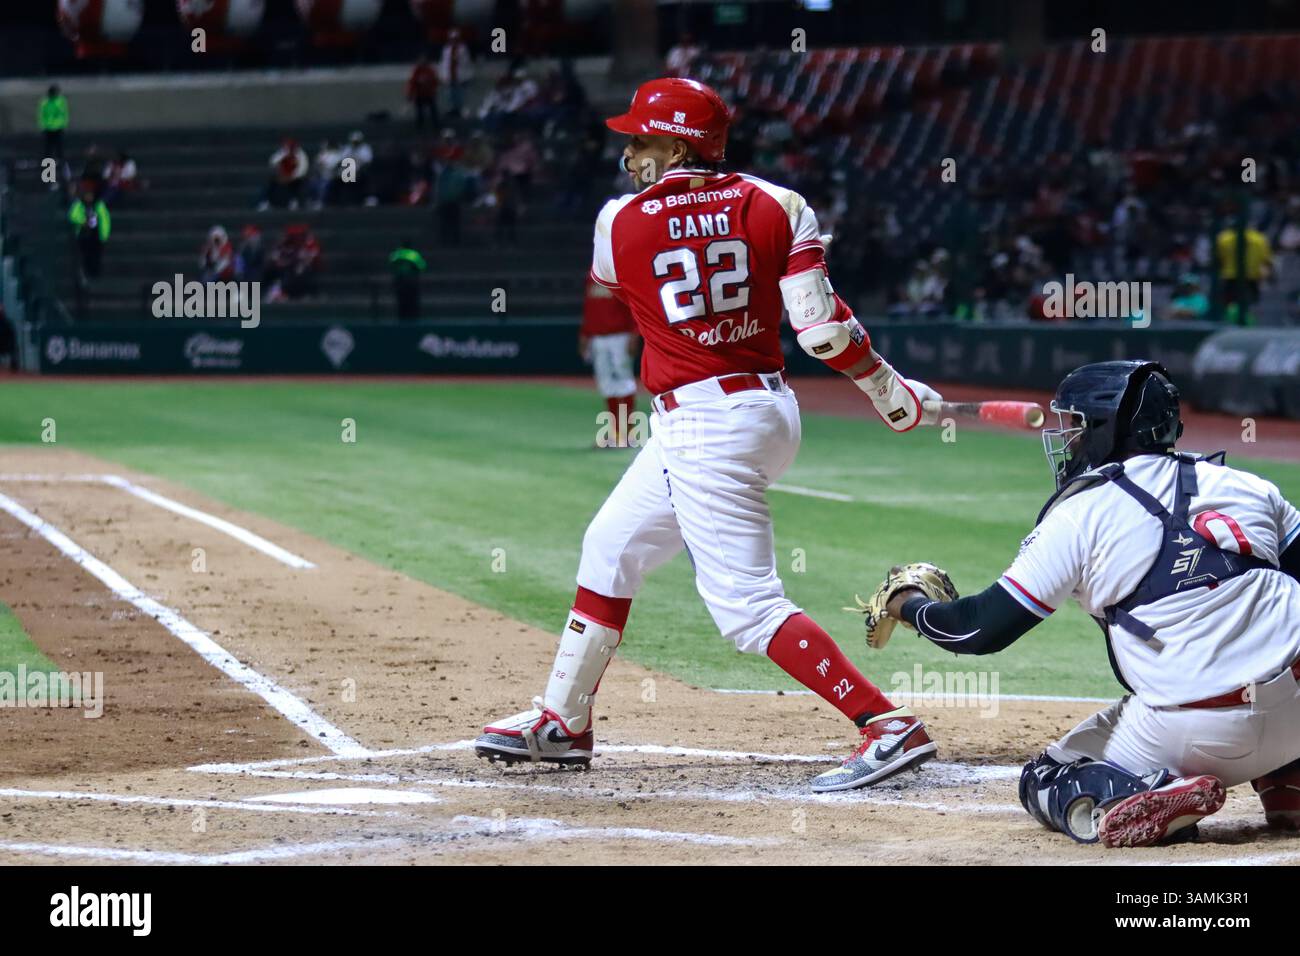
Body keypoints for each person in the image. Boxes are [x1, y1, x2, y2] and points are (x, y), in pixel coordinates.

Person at [474, 78, 946, 792]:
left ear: (680, 143)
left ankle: (886, 723)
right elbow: (820, 330)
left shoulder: (616, 221)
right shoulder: (779, 203)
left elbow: (618, 276)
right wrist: (889, 389)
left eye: (643, 140)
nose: (631, 152)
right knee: (611, 546)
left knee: (747, 607)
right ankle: (565, 721)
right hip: (759, 411)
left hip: (705, 424)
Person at [862, 361, 1300, 846]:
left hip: (1199, 737)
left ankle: (1141, 791)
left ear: (1103, 429)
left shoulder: (1080, 514)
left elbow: (978, 630)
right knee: (1273, 642)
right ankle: (1289, 790)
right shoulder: (1250, 486)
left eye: (1074, 424)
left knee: (1044, 778)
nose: (1067, 438)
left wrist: (909, 605)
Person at [578, 276, 639, 448]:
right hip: (598, 336)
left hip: (620, 335)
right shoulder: (591, 275)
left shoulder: (617, 272)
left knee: (624, 382)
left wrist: (635, 333)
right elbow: (589, 307)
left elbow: (633, 304)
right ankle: (615, 434)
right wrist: (585, 333)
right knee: (606, 384)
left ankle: (629, 433)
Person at [68, 188, 110, 280]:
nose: (89, 197)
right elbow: (72, 216)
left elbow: (105, 220)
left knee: (96, 255)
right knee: (85, 255)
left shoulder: (99, 205)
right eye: (87, 195)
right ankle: (87, 272)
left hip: (96, 235)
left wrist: (104, 235)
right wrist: (82, 221)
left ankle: (95, 273)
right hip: (84, 235)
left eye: (90, 195)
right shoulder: (79, 204)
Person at [261, 138, 309, 210]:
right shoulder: (282, 152)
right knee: (270, 182)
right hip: (282, 176)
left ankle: (294, 201)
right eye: (287, 147)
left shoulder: (301, 155)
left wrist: (292, 177)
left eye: (291, 147)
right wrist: (282, 174)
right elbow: (272, 162)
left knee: (299, 183)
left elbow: (302, 170)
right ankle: (265, 202)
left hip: (295, 178)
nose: (289, 149)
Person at [388, 239, 427, 320]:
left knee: (402, 304)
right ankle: (413, 320)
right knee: (412, 304)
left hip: (399, 282)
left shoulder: (397, 254)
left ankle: (402, 320)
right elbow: (422, 266)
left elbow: (391, 265)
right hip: (411, 282)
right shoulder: (413, 254)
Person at [438, 27, 473, 117]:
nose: (454, 41)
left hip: (460, 75)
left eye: (455, 39)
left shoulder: (463, 49)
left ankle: (461, 110)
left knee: (460, 94)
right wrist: (443, 75)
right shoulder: (446, 49)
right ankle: (453, 110)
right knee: (450, 94)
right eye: (452, 39)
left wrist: (458, 58)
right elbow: (444, 63)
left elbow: (466, 61)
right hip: (450, 75)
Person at [38, 84, 69, 165]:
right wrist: (42, 125)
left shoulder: (61, 101)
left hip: (58, 127)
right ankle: (47, 162)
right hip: (48, 127)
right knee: (49, 146)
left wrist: (64, 124)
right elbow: (42, 114)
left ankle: (61, 161)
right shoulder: (45, 102)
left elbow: (64, 113)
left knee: (59, 145)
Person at [407, 54, 439, 130]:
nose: (422, 62)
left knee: (433, 111)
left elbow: (435, 82)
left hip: (429, 94)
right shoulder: (416, 70)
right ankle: (419, 127)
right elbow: (412, 83)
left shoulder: (430, 70)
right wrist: (409, 94)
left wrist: (433, 90)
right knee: (419, 113)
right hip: (419, 95)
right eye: (421, 61)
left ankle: (436, 126)